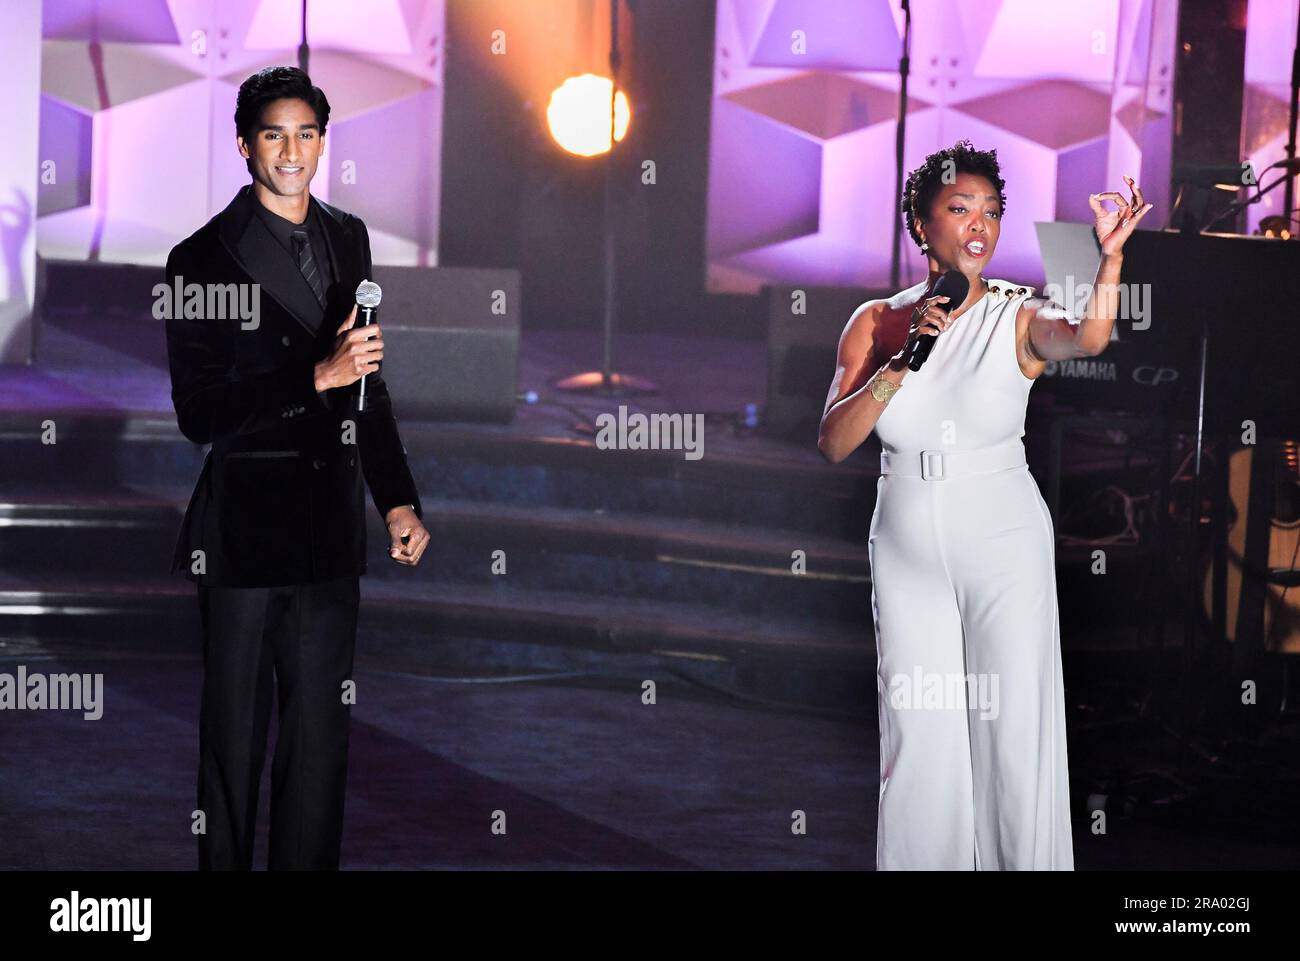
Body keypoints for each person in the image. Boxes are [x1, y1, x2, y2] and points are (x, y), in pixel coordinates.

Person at [818, 139, 1152, 869]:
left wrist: (1111, 259)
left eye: (992, 212)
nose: (979, 225)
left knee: (1010, 732)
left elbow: (1090, 335)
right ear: (920, 224)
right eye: (960, 207)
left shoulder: (1017, 315)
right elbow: (835, 442)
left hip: (998, 533)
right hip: (905, 541)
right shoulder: (876, 323)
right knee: (918, 734)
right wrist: (901, 365)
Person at [163, 66, 431, 870]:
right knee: (233, 749)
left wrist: (397, 501)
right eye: (274, 134)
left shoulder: (349, 236)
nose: (292, 151)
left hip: (326, 534)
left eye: (307, 133)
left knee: (319, 749)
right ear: (245, 145)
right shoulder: (198, 260)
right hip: (242, 539)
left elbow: (365, 381)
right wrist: (312, 378)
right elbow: (198, 416)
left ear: (323, 142)